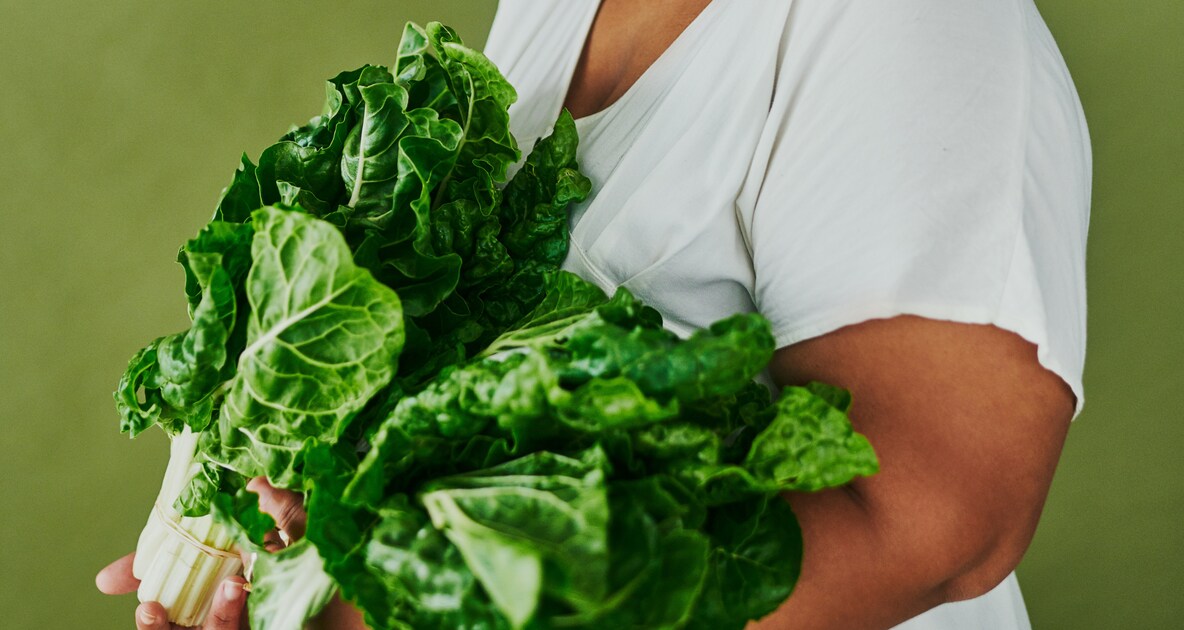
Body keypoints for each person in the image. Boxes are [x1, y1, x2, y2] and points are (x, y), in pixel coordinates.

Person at [99, 0, 1091, 627]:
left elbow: (931, 524)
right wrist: (296, 533)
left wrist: (397, 604)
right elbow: (474, 381)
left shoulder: (906, 23)